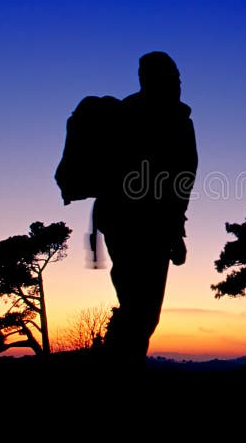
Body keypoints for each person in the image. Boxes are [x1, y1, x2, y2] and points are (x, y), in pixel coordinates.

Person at [94, 51, 198, 361]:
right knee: (143, 312)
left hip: (118, 223)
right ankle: (117, 367)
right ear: (150, 79)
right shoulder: (174, 121)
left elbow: (180, 179)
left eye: (178, 77)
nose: (178, 83)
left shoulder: (126, 112)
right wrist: (174, 232)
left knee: (136, 308)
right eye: (173, 77)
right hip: (144, 227)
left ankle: (117, 361)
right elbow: (181, 180)